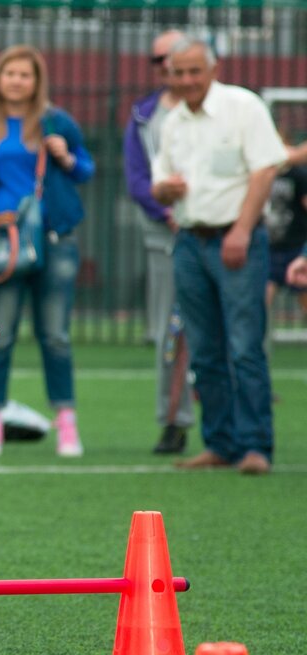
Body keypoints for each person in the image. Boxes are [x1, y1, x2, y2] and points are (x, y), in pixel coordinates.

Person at [151, 35, 287, 475]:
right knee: (204, 348)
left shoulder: (244, 108)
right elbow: (160, 184)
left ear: (214, 68)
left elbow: (266, 169)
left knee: (245, 345)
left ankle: (255, 446)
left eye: (195, 70)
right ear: (170, 75)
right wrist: (164, 190)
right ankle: (221, 443)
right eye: (179, 72)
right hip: (190, 241)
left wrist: (242, 231)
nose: (187, 80)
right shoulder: (172, 121)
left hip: (237, 238)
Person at [0, 44, 95, 458]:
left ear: (37, 81)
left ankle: (66, 424)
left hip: (54, 240)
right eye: (10, 73)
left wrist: (66, 156)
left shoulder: (57, 122)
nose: (17, 81)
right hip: (4, 243)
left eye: (25, 75)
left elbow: (86, 169)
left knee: (55, 336)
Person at [123, 30, 196, 456]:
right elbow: (138, 178)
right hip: (165, 235)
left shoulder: (227, 107)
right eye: (159, 60)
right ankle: (174, 421)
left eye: (174, 56)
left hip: (218, 233)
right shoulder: (144, 115)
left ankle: (244, 433)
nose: (166, 66)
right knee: (171, 333)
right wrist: (168, 214)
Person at [264, 130, 307, 318]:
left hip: (295, 246)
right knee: (259, 308)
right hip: (269, 248)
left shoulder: (298, 174)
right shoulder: (262, 174)